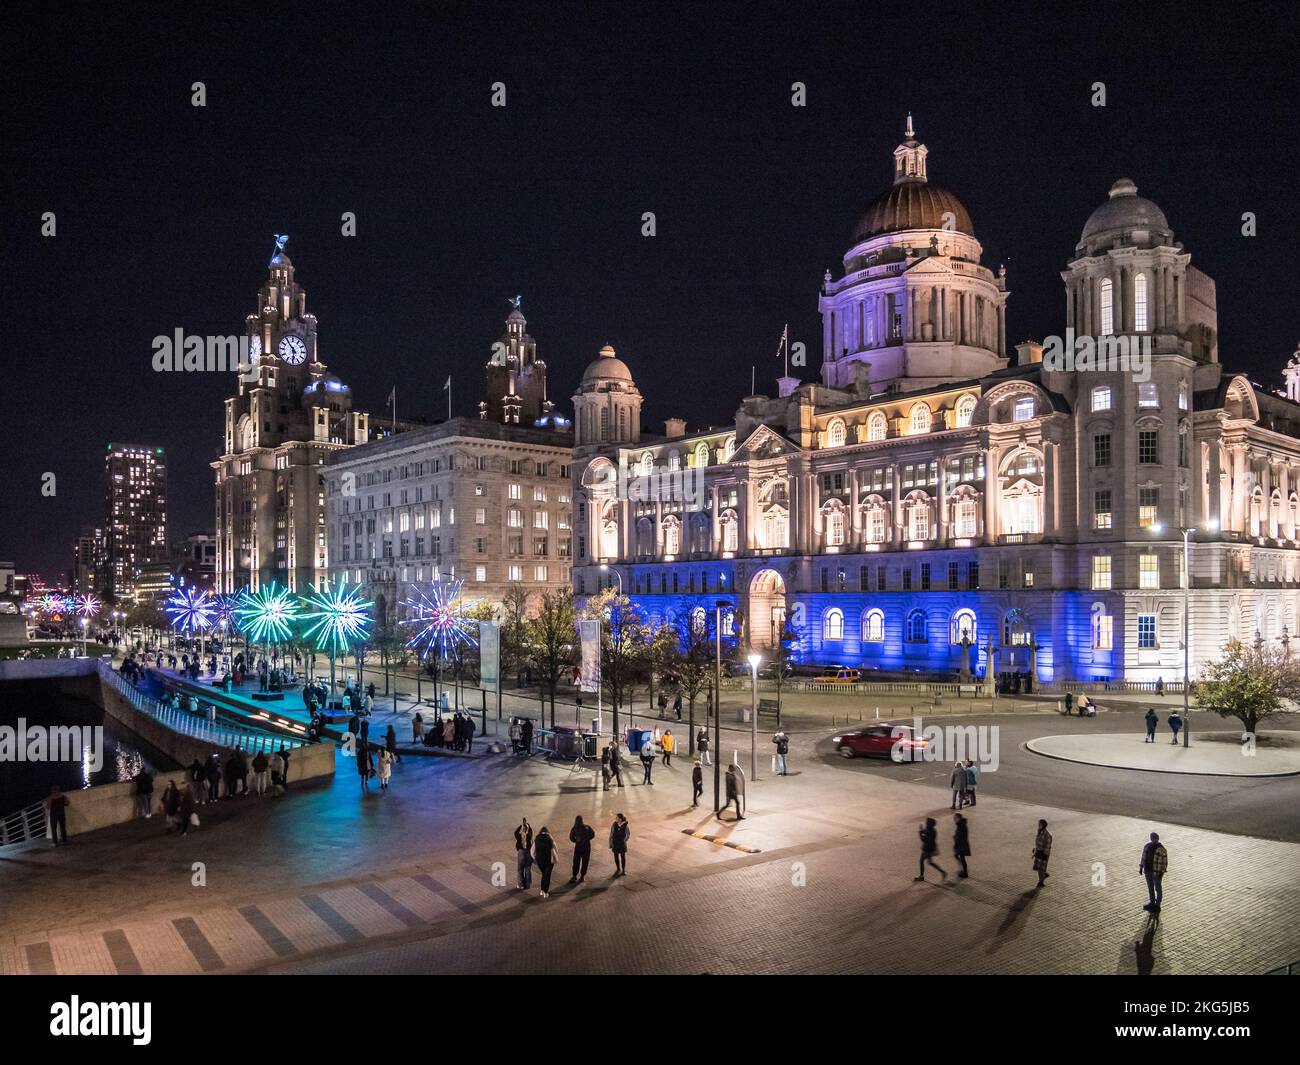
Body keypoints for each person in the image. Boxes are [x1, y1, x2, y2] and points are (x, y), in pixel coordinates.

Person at [1139, 831, 1168, 912]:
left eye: (1155, 839)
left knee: (1158, 889)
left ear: (1157, 839)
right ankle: (1152, 903)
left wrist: (1161, 872)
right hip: (1148, 870)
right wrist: (1141, 867)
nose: (1153, 840)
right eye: (1152, 838)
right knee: (1150, 888)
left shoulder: (1162, 849)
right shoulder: (1147, 846)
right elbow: (1143, 857)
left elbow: (1164, 862)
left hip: (1156, 873)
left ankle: (1157, 905)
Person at [915, 817, 946, 881]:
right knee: (927, 862)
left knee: (925, 862)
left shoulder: (929, 831)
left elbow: (924, 839)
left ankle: (922, 876)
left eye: (927, 822)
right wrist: (922, 830)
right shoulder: (932, 829)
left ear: (929, 824)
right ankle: (942, 872)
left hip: (927, 849)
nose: (926, 823)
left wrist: (920, 832)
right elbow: (925, 831)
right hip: (930, 848)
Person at [569, 815, 595, 883]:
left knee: (576, 861)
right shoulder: (587, 827)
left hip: (578, 847)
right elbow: (593, 834)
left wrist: (576, 841)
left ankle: (574, 876)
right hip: (587, 847)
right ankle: (582, 876)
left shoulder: (575, 828)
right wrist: (587, 839)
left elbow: (571, 837)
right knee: (585, 862)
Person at [533, 826, 557, 898]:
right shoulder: (550, 839)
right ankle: (545, 892)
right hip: (549, 860)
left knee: (544, 874)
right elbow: (555, 849)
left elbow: (532, 852)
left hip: (540, 861)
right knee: (547, 876)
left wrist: (535, 858)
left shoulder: (536, 839)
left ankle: (542, 890)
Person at [514, 818, 534, 889]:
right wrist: (527, 826)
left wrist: (520, 826)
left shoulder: (519, 836)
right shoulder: (529, 836)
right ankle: (528, 884)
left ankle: (520, 884)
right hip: (528, 852)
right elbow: (531, 831)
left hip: (521, 852)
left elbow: (515, 832)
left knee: (520, 869)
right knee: (528, 869)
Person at [1033, 819, 1053, 887]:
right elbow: (1037, 841)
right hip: (1038, 852)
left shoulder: (1047, 835)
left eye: (1040, 824)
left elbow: (1047, 845)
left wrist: (1044, 854)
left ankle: (1041, 882)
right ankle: (1043, 876)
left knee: (1042, 868)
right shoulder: (1039, 832)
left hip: (1043, 854)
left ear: (1043, 825)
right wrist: (1035, 849)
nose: (1038, 825)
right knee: (1038, 868)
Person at [953, 813, 971, 877]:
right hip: (962, 845)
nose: (954, 819)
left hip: (962, 845)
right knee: (959, 857)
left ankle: (965, 872)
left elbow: (960, 836)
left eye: (955, 818)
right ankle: (963, 870)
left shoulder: (961, 826)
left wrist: (955, 842)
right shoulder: (960, 824)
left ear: (959, 818)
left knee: (961, 858)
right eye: (954, 818)